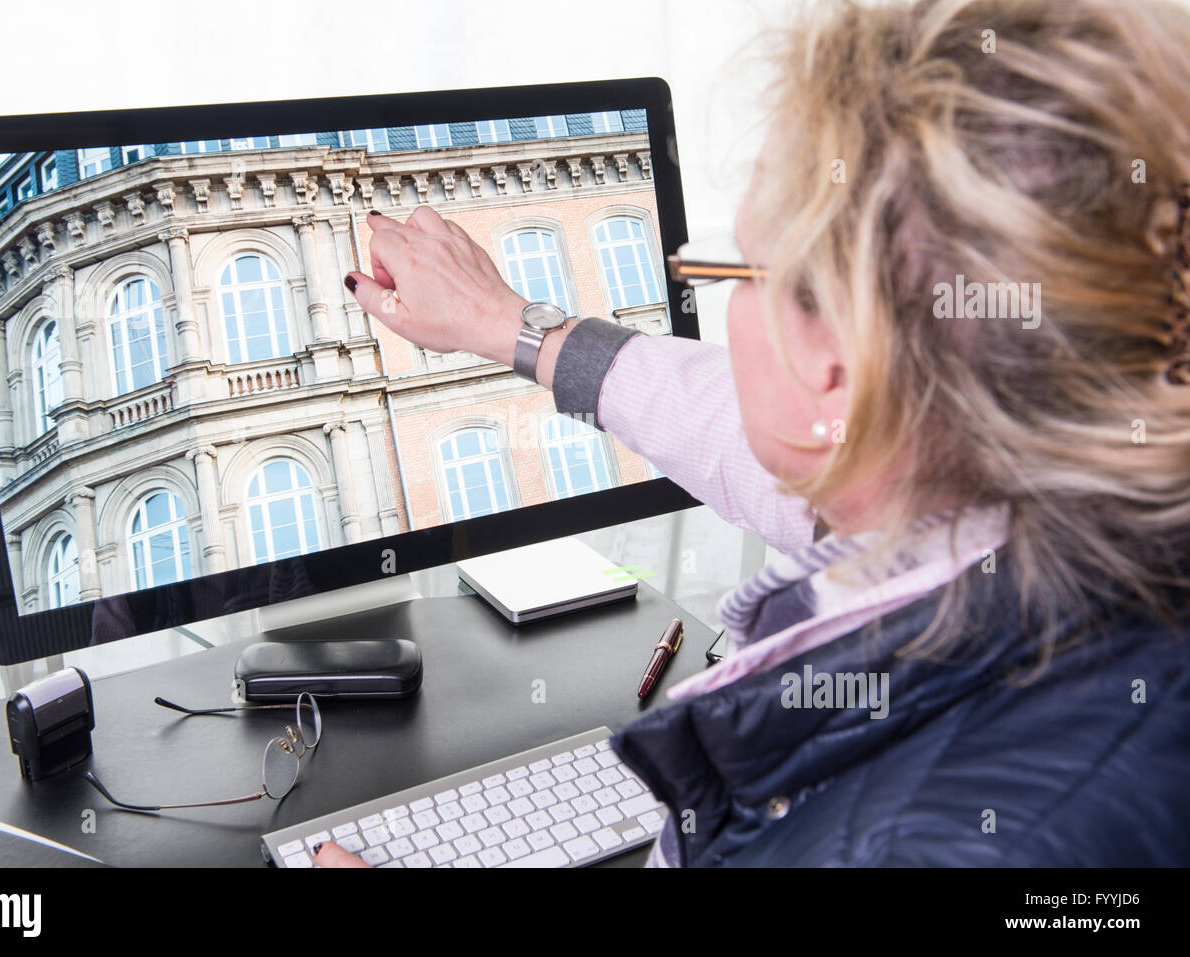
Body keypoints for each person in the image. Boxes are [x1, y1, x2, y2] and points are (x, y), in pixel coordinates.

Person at [314, 0, 1190, 867]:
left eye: (743, 266)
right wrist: (511, 324)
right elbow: (750, 431)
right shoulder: (1058, 529)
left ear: (836, 360)